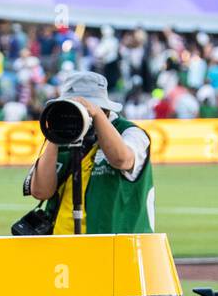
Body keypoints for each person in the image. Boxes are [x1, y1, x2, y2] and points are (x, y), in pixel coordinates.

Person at [23, 71, 154, 234]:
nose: (77, 115)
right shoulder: (64, 137)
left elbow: (122, 160)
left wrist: (96, 114)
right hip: (64, 247)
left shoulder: (131, 133)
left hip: (114, 246)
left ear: (106, 109)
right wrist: (55, 132)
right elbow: (41, 191)